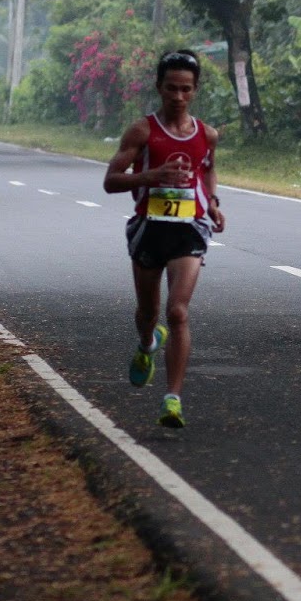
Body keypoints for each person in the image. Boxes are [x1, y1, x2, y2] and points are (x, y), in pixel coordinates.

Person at [103, 49, 224, 428]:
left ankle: (173, 399)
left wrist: (214, 203)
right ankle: (145, 346)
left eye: (186, 89)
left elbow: (207, 172)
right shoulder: (143, 131)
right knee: (148, 314)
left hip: (189, 229)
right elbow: (111, 181)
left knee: (178, 312)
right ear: (158, 87)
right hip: (149, 229)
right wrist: (150, 177)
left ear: (195, 90)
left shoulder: (207, 134)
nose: (178, 97)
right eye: (171, 88)